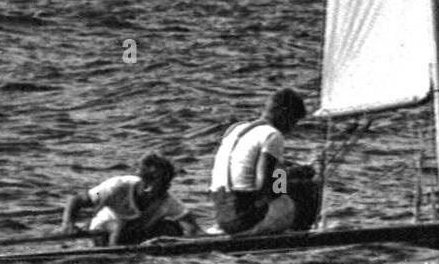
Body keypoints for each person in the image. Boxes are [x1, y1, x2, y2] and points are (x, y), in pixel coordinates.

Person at [209, 88, 312, 236]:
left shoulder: (235, 129)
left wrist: (285, 172)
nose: (292, 128)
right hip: (244, 220)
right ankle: (302, 236)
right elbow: (265, 185)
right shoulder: (273, 135)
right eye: (293, 121)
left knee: (289, 184)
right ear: (283, 113)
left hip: (223, 217)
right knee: (304, 187)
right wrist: (290, 177)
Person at [61, 153, 202, 246]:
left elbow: (190, 225)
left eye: (168, 182)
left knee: (171, 228)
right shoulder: (115, 187)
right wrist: (68, 224)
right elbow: (78, 200)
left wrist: (197, 238)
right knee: (120, 226)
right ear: (147, 185)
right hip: (103, 230)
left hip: (133, 234)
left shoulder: (166, 200)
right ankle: (114, 257)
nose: (168, 187)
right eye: (164, 182)